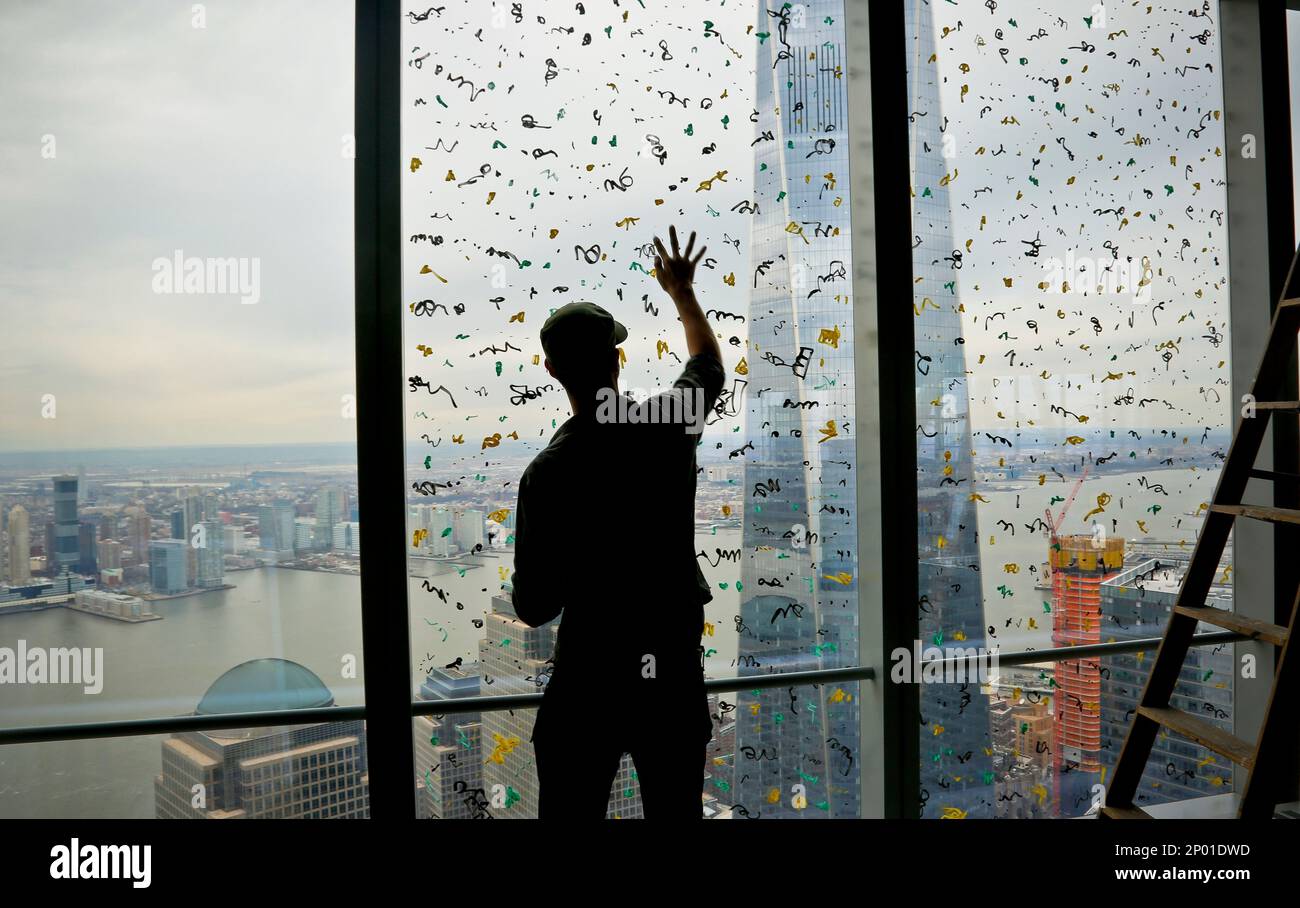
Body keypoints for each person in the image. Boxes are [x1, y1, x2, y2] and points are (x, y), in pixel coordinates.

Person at [510, 226, 725, 819]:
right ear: (617, 359)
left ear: (553, 371)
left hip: (588, 681)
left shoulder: (547, 473)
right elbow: (708, 365)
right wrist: (681, 293)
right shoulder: (668, 425)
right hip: (670, 672)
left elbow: (534, 607)